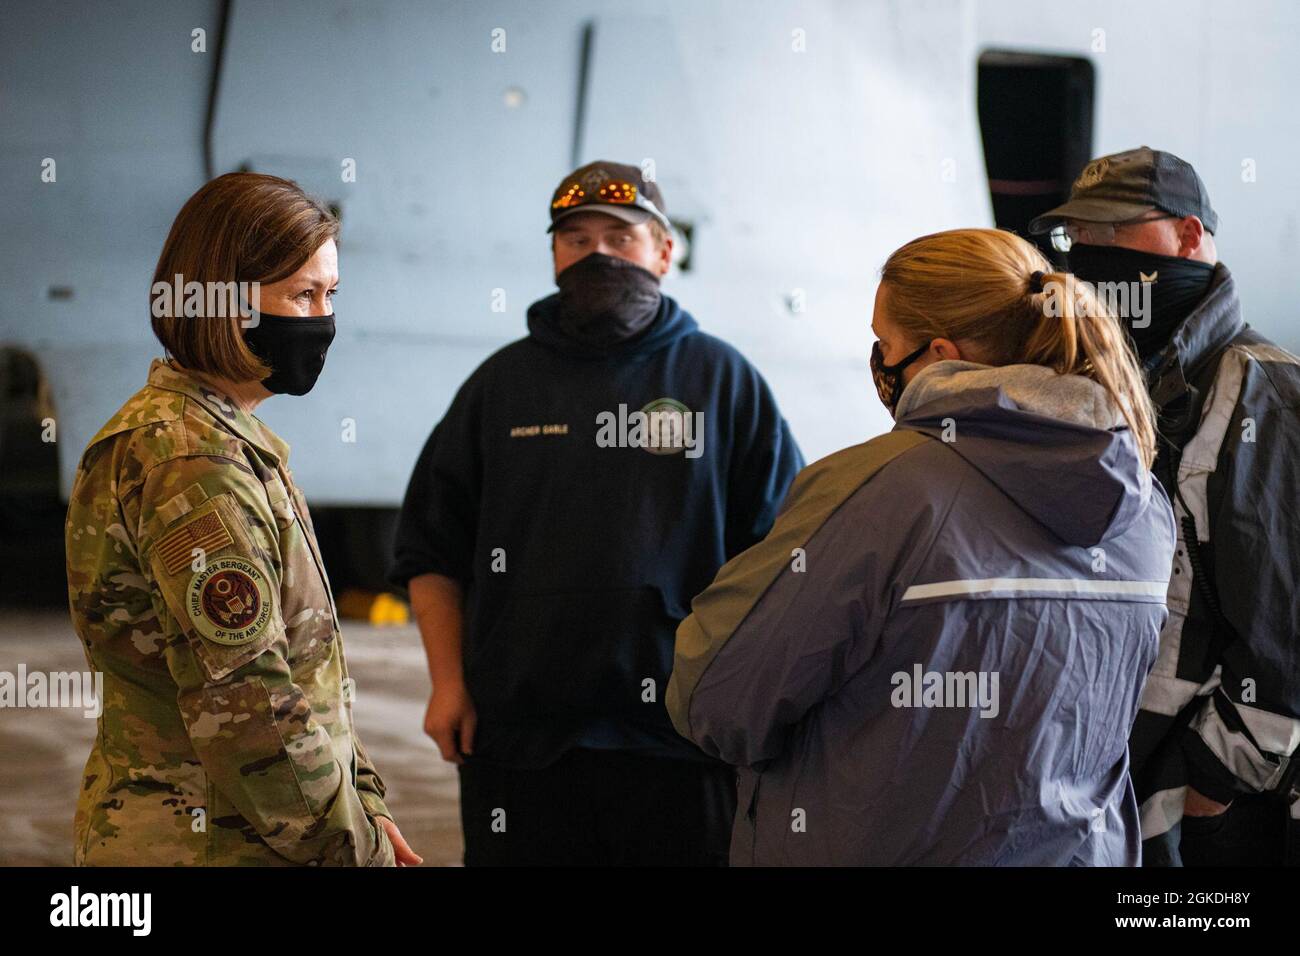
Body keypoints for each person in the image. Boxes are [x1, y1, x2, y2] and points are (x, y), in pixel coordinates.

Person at [667, 227, 1176, 865]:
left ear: (939, 354)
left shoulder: (875, 490)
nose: (878, 361)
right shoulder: (1145, 508)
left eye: (885, 344)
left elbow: (719, 696)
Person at [390, 160, 803, 866]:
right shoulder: (502, 385)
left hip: (682, 747)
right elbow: (432, 549)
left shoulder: (723, 382)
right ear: (554, 255)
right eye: (576, 239)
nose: (598, 255)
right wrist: (449, 685)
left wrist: (754, 705)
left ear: (664, 252)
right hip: (520, 746)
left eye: (620, 236)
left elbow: (783, 560)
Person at [66, 173, 418, 866]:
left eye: (331, 295)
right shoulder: (193, 462)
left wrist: (365, 800)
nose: (323, 319)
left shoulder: (225, 440)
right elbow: (249, 704)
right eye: (303, 295)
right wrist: (354, 846)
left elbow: (306, 669)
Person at [1031, 146, 1300, 866]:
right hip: (1106, 788)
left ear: (1188, 236)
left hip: (1201, 810)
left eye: (1115, 232)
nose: (1093, 254)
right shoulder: (1103, 377)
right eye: (1080, 238)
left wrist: (1209, 785)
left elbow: (1284, 637)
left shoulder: (1264, 392)